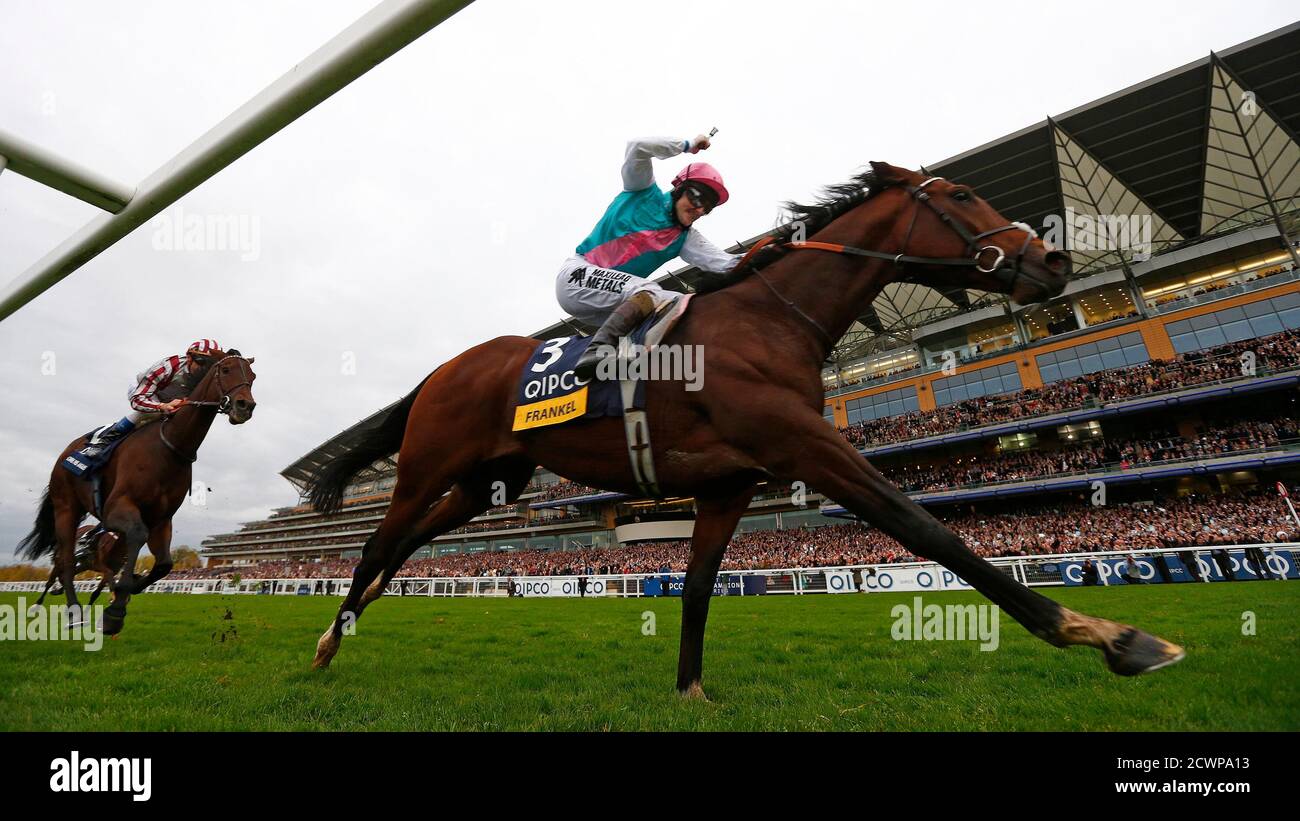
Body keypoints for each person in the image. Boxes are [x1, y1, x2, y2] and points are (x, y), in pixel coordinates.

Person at [557, 134, 741, 379]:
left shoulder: (686, 237)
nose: (699, 209)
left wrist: (782, 249)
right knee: (650, 291)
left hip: (610, 300)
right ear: (679, 189)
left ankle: (641, 369)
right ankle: (598, 351)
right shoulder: (641, 190)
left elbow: (729, 264)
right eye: (697, 198)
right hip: (576, 276)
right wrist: (687, 145)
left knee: (680, 303)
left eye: (707, 207)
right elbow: (636, 147)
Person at [77, 339, 223, 462]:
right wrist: (162, 406)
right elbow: (137, 400)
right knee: (154, 414)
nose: (205, 368)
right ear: (189, 358)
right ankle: (103, 441)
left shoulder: (207, 376)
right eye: (201, 361)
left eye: (210, 364)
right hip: (144, 392)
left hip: (172, 395)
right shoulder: (168, 367)